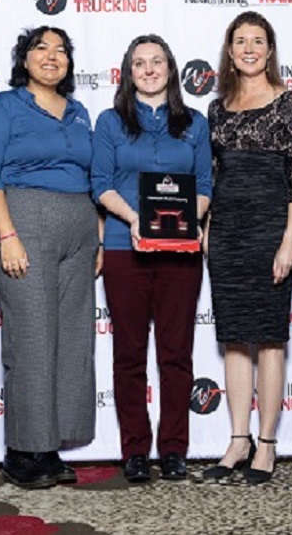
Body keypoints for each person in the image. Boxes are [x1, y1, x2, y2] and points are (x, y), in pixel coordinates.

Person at [0, 26, 99, 490]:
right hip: (24, 218)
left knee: (70, 339)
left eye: (61, 49)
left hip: (79, 227)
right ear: (23, 60)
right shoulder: (4, 107)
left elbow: (93, 176)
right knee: (31, 338)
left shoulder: (80, 112)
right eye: (40, 48)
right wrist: (6, 233)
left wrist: (97, 237)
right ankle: (22, 450)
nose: (52, 56)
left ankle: (52, 443)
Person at [92, 35, 212, 483]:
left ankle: (175, 449)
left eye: (156, 61)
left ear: (170, 68)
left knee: (177, 354)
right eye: (139, 63)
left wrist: (183, 222)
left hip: (180, 253)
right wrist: (136, 219)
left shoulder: (194, 123)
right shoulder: (110, 122)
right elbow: (100, 183)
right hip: (126, 248)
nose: (148, 69)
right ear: (129, 71)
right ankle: (135, 451)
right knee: (129, 354)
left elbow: (204, 186)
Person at [204, 11, 292, 485]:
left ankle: (267, 443)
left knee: (269, 338)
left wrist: (290, 240)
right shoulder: (217, 107)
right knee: (233, 339)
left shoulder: (291, 104)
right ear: (230, 51)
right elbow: (213, 174)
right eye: (241, 41)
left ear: (270, 50)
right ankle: (237, 439)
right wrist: (206, 228)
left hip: (272, 231)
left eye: (258, 40)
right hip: (226, 231)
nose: (249, 48)